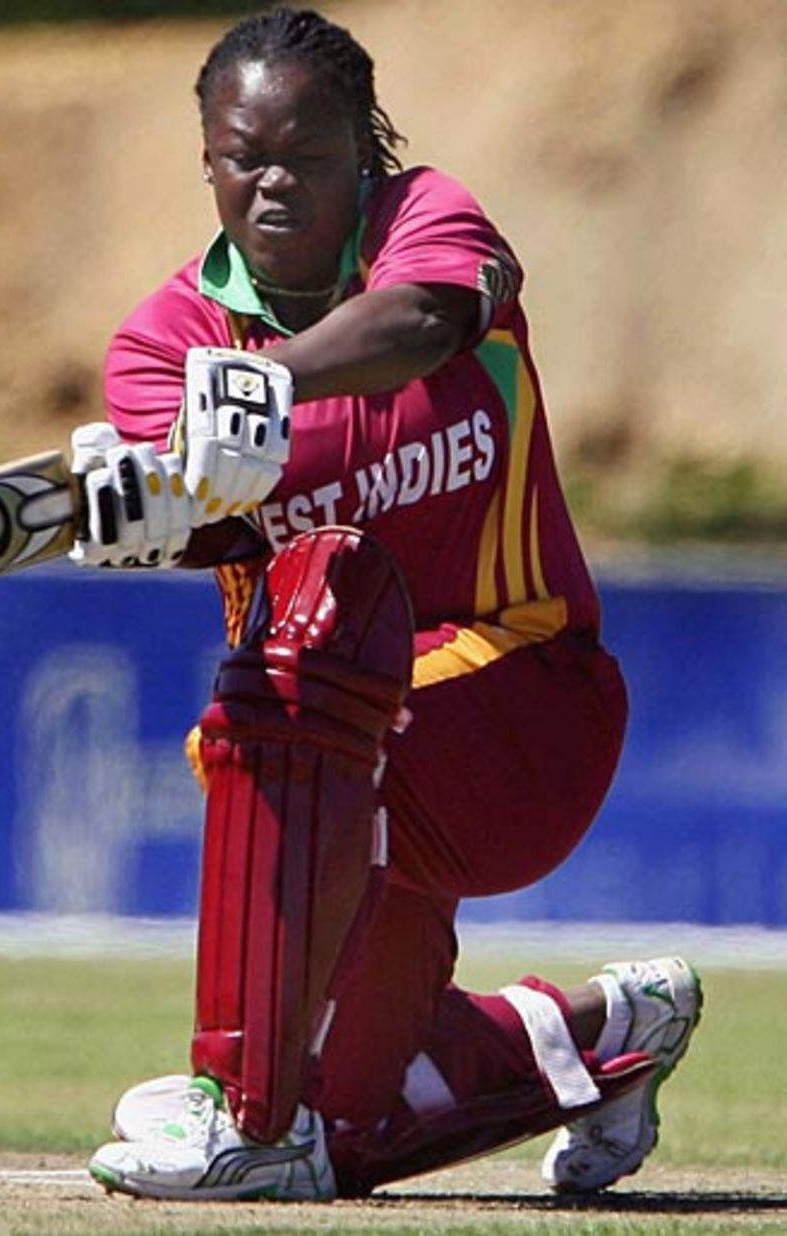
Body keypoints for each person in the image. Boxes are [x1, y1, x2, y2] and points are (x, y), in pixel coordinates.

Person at [67, 5, 702, 1203]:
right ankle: (612, 1032)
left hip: (525, 704)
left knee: (303, 636)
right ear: (205, 157)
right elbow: (209, 523)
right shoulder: (163, 346)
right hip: (347, 774)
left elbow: (423, 321)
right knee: (350, 1132)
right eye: (242, 157)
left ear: (364, 151)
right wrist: (148, 522)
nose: (272, 186)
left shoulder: (430, 223)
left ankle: (241, 1112)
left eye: (306, 157)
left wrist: (266, 380)